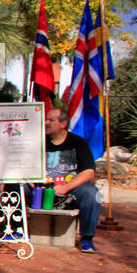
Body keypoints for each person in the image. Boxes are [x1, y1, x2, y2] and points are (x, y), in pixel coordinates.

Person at [43, 107, 100, 253]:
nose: (46, 122)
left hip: (70, 185)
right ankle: (16, 230)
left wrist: (66, 187)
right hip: (42, 186)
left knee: (91, 193)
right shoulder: (39, 142)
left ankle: (87, 239)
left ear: (63, 124)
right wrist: (34, 183)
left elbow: (89, 172)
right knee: (17, 186)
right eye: (46, 119)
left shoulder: (78, 142)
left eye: (51, 120)